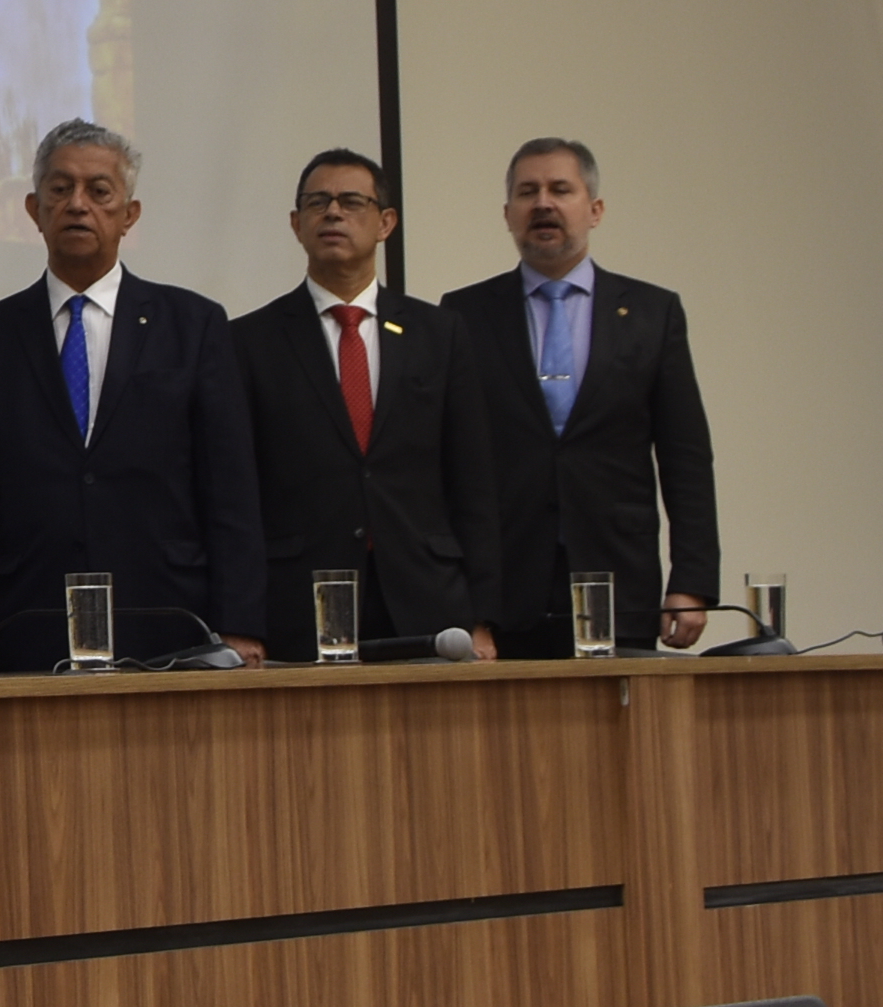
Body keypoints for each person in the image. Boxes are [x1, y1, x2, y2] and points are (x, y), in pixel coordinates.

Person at [0, 119, 264, 669]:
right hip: (29, 624)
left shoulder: (193, 325)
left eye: (99, 192)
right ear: (34, 208)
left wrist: (238, 624)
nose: (78, 204)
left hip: (172, 622)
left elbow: (230, 489)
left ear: (129, 215)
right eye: (60, 188)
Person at [445, 137, 720, 656]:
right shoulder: (463, 315)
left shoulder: (651, 313)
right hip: (506, 592)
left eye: (560, 189)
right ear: (508, 214)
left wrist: (692, 580)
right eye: (528, 192)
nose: (543, 203)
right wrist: (466, 605)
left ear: (594, 210)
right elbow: (449, 466)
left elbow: (686, 457)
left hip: (621, 583)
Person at [230, 150, 497, 663]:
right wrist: (241, 617)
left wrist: (481, 617)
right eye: (317, 203)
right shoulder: (248, 341)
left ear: (385, 222)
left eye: (352, 202)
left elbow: (474, 483)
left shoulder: (439, 333)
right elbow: (238, 492)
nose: (333, 213)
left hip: (427, 598)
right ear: (296, 224)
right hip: (300, 602)